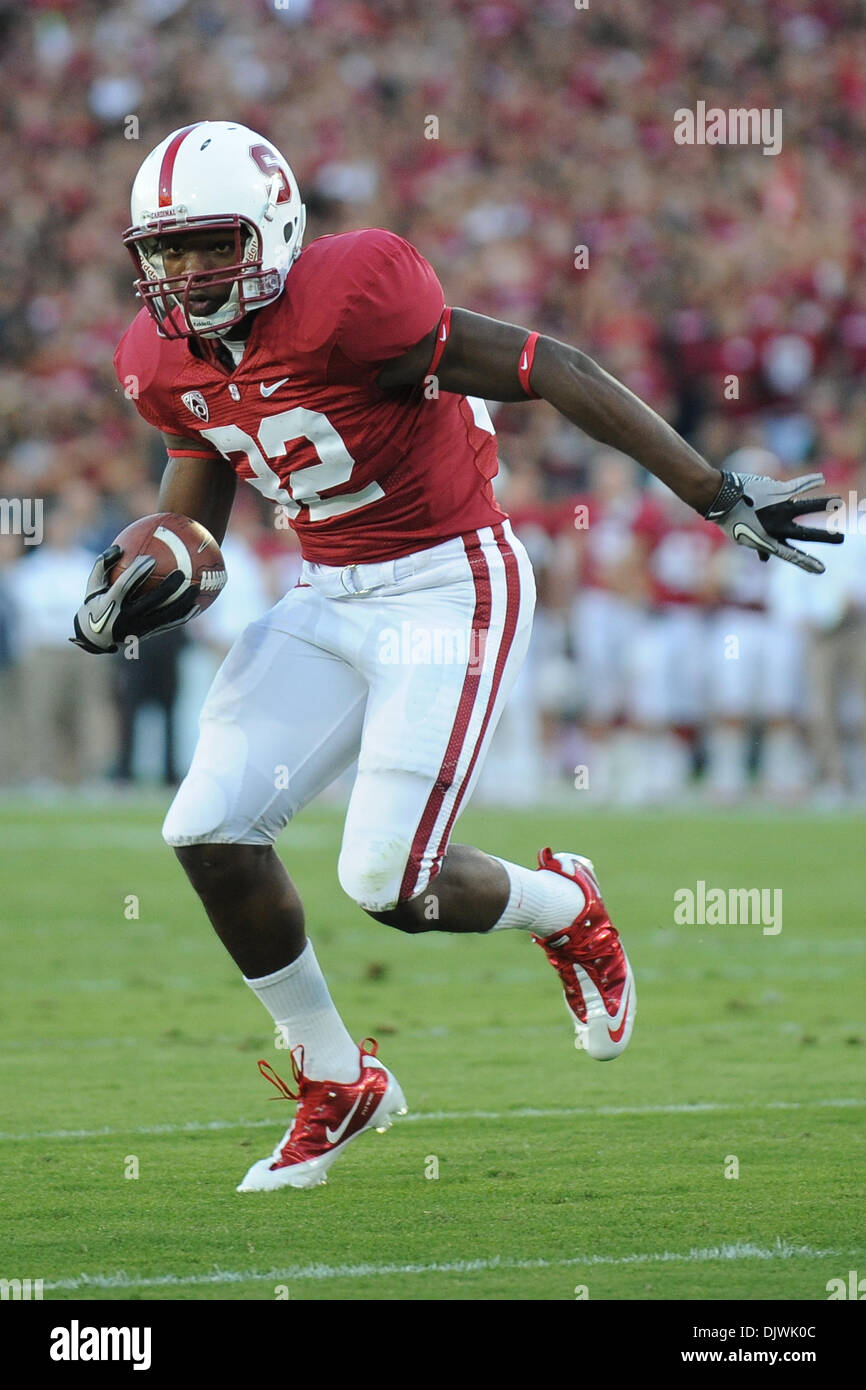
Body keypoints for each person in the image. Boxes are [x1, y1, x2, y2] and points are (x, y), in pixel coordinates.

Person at [70, 122, 840, 1192]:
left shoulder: (354, 294)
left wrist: (711, 491)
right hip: (326, 591)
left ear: (275, 229)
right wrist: (130, 588)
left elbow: (548, 365)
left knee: (385, 880)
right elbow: (193, 508)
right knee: (202, 825)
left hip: (448, 580)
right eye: (166, 252)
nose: (187, 273)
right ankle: (337, 1079)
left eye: (210, 244)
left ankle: (565, 908)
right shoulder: (157, 357)